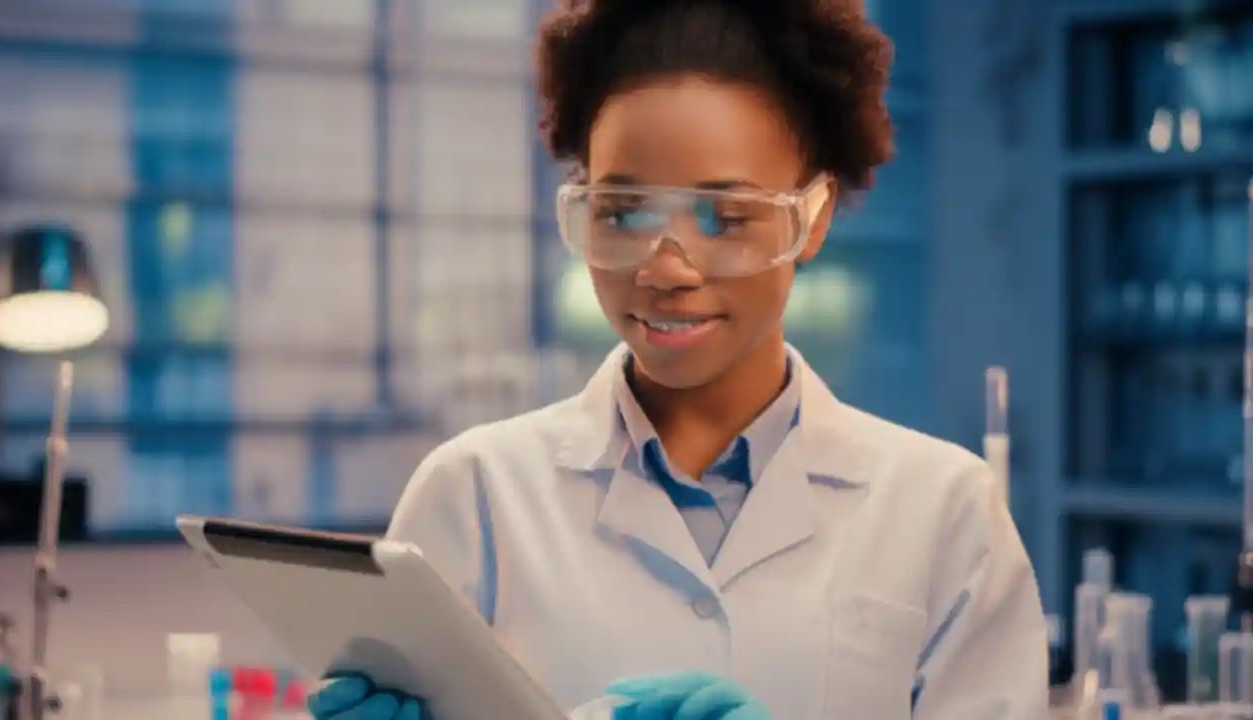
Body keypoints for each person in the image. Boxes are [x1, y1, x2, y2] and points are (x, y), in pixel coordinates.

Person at [308, 0, 1049, 718]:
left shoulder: (943, 511)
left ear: (812, 218)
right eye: (624, 213)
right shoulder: (474, 496)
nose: (667, 269)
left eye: (724, 218)